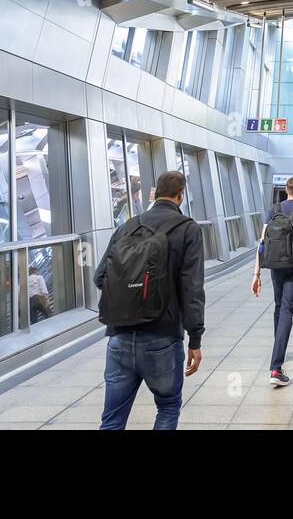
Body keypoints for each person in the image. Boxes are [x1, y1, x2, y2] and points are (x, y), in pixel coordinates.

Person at [94, 170, 204, 430]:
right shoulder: (188, 229)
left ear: (154, 194)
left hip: (119, 338)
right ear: (181, 196)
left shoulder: (127, 227)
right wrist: (195, 339)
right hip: (162, 338)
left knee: (112, 419)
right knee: (167, 408)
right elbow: (192, 290)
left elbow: (101, 277)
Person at [252, 175, 293, 387]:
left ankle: (278, 349)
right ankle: (276, 367)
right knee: (287, 310)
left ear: (286, 189)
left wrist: (256, 274)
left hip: (274, 265)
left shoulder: (274, 210)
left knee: (279, 306)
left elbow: (262, 242)